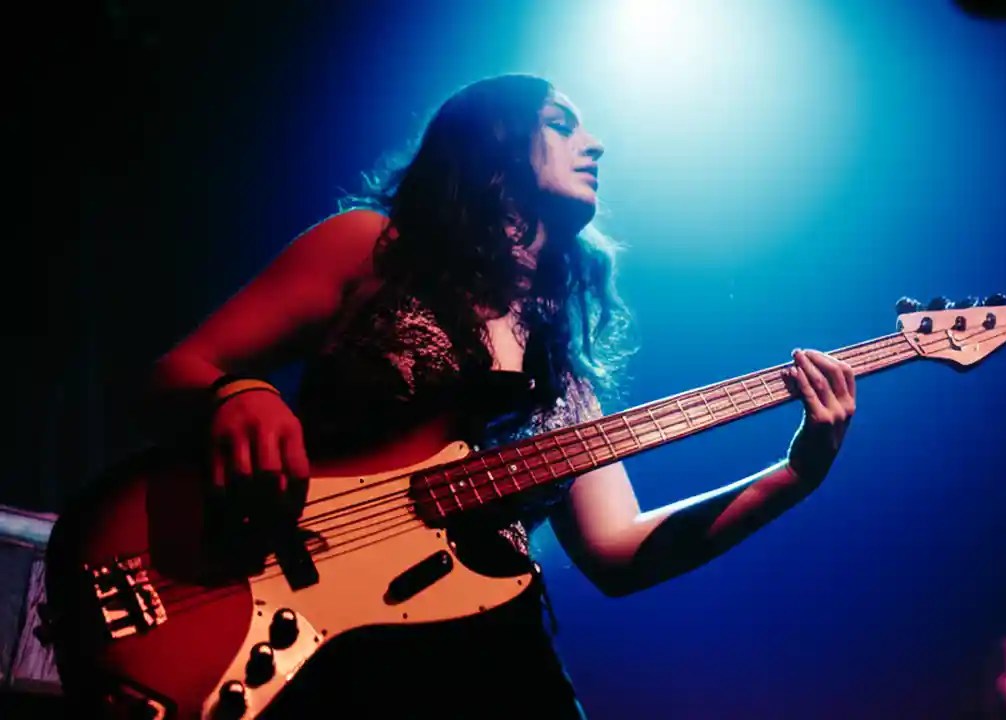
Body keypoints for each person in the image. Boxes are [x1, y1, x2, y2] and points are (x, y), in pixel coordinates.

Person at [144, 73, 858, 717]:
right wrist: (236, 392)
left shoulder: (564, 379)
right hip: (311, 637)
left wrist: (797, 473)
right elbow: (183, 366)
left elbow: (621, 551)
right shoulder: (373, 251)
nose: (597, 144)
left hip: (493, 660)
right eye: (561, 122)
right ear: (493, 143)